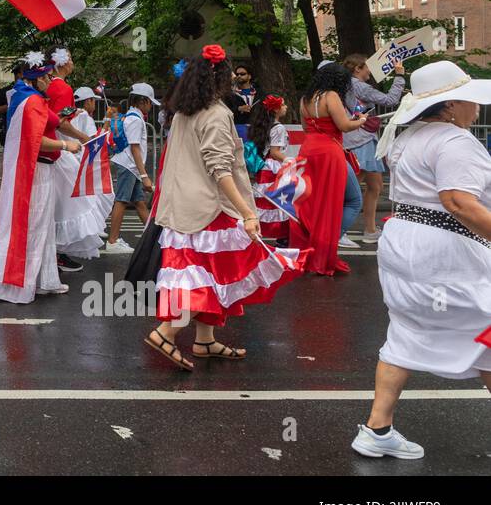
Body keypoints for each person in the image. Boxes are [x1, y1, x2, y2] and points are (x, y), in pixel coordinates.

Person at [351, 60, 491, 459]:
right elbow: (458, 201)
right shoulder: (455, 142)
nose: (476, 109)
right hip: (444, 246)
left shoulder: (408, 136)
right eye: (469, 100)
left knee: (407, 328)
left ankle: (377, 430)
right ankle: (376, 432)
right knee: (485, 323)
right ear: (449, 106)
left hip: (405, 241)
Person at [145, 45, 304, 371]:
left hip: (185, 208)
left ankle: (204, 339)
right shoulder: (216, 115)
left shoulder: (185, 112)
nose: (234, 76)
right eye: (230, 71)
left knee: (208, 274)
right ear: (219, 77)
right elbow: (220, 170)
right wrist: (247, 212)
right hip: (209, 210)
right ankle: (167, 332)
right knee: (208, 276)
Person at [0, 56, 82, 302]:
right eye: (46, 77)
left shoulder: (25, 96)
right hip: (35, 171)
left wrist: (85, 137)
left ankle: (43, 280)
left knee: (42, 226)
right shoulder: (33, 100)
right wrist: (66, 145)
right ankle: (17, 284)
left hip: (36, 169)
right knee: (32, 225)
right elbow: (35, 140)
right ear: (35, 80)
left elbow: (57, 122)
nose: (50, 80)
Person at [291, 62, 369, 276]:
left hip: (308, 151)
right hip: (329, 152)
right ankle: (324, 248)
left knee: (313, 203)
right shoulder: (331, 96)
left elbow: (306, 128)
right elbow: (344, 126)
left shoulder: (305, 99)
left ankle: (310, 250)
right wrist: (360, 120)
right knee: (351, 200)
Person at [341, 55, 407, 244]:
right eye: (367, 68)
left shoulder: (345, 84)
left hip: (360, 139)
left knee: (375, 186)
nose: (369, 71)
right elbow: (390, 100)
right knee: (351, 190)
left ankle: (370, 230)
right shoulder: (358, 85)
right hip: (360, 140)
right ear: (357, 69)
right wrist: (399, 76)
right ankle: (339, 230)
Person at [47, 49, 102, 267]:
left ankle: (55, 251)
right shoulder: (62, 87)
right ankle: (56, 251)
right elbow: (60, 122)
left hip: (54, 146)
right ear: (61, 63)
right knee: (70, 201)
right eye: (70, 58)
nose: (72, 62)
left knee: (58, 202)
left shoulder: (50, 85)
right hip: (60, 148)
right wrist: (83, 137)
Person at [105, 83, 158, 254]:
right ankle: (112, 242)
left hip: (131, 166)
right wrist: (144, 176)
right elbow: (135, 148)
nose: (150, 106)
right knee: (121, 200)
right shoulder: (135, 120)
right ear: (142, 101)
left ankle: (154, 238)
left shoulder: (133, 117)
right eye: (149, 102)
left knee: (139, 202)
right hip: (129, 165)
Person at [245, 94, 291, 242]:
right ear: (276, 109)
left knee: (264, 201)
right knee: (278, 201)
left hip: (265, 168)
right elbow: (275, 152)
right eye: (283, 105)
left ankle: (259, 232)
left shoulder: (265, 126)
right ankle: (281, 234)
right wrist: (291, 161)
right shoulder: (279, 128)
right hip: (274, 168)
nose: (286, 107)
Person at [71, 85, 115, 236]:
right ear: (87, 101)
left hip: (73, 159)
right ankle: (95, 226)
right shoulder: (85, 117)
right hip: (84, 160)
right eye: (93, 101)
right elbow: (94, 141)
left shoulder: (72, 115)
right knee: (95, 194)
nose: (94, 104)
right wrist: (108, 120)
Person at [0, 61, 28, 148]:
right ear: (18, 75)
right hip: (10, 132)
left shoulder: (33, 89)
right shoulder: (6, 91)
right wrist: (10, 107)